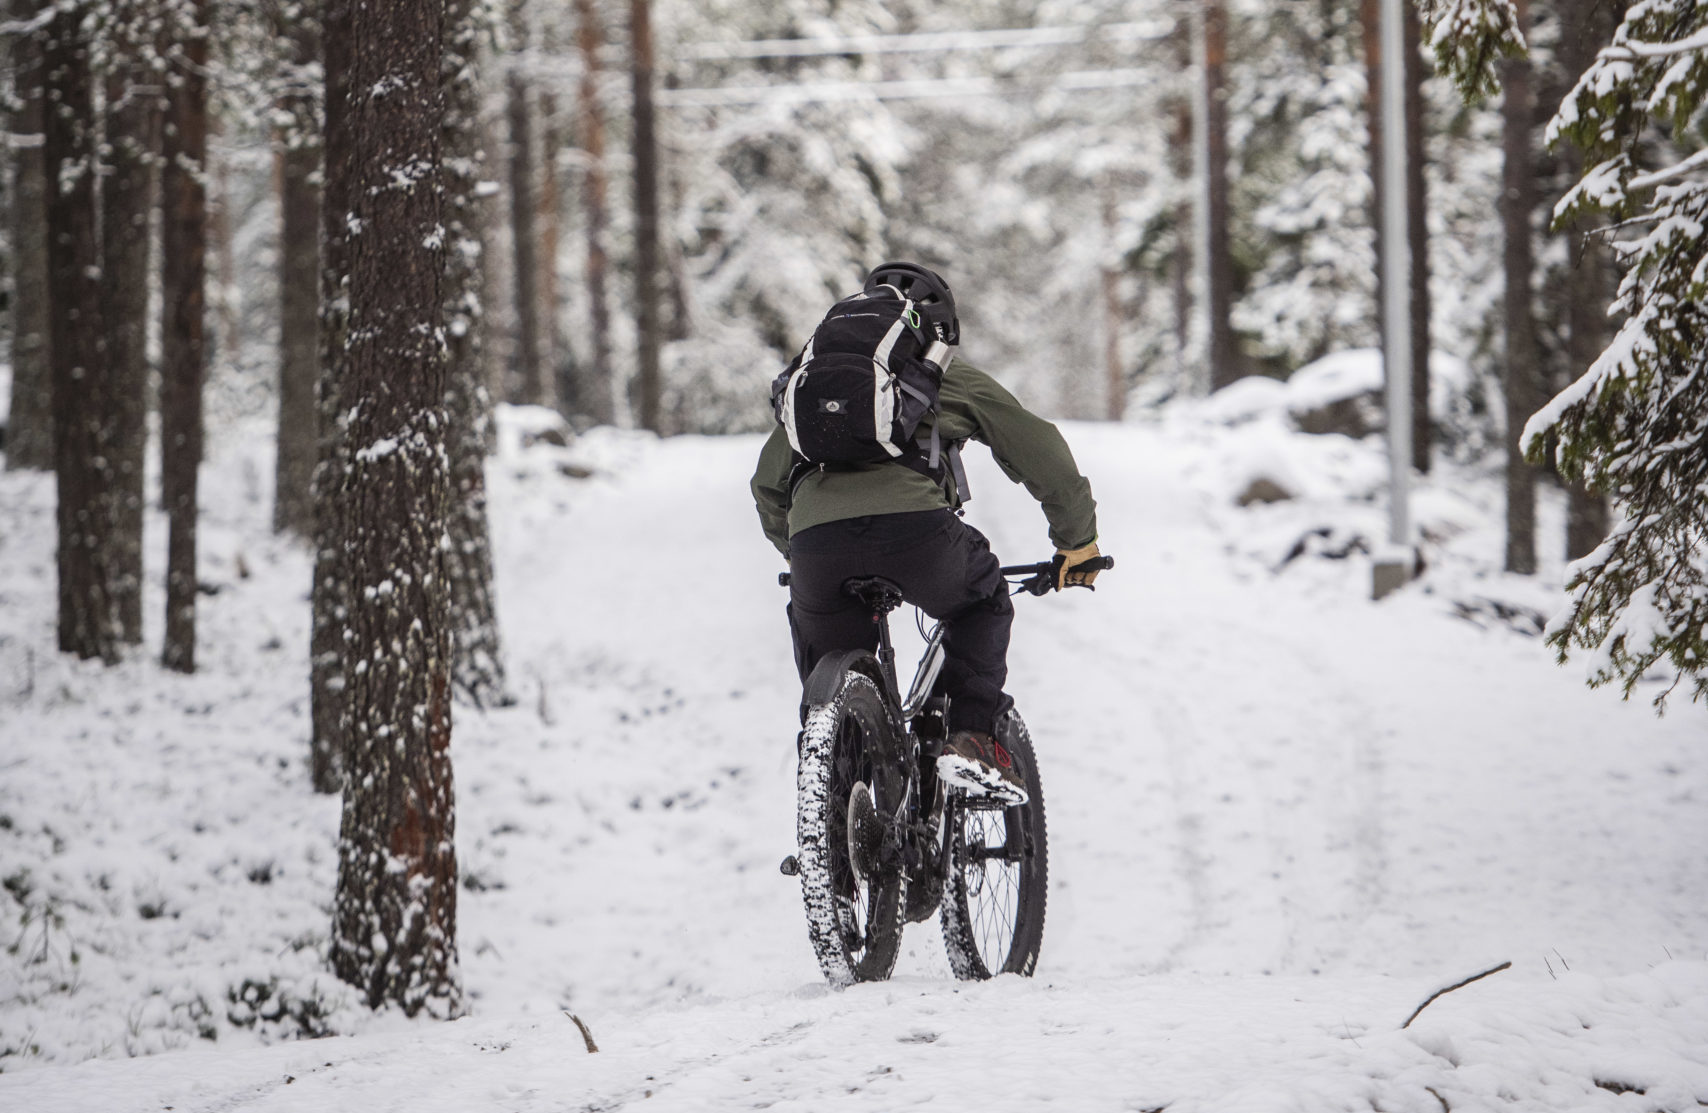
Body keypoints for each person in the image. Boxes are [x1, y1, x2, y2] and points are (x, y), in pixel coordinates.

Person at [751, 262, 1101, 803]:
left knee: (828, 670)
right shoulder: (945, 377)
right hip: (919, 540)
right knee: (982, 598)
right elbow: (1042, 452)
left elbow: (767, 487)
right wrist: (1075, 543)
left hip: (817, 549)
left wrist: (799, 551)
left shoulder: (810, 385)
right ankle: (974, 739)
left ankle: (837, 798)